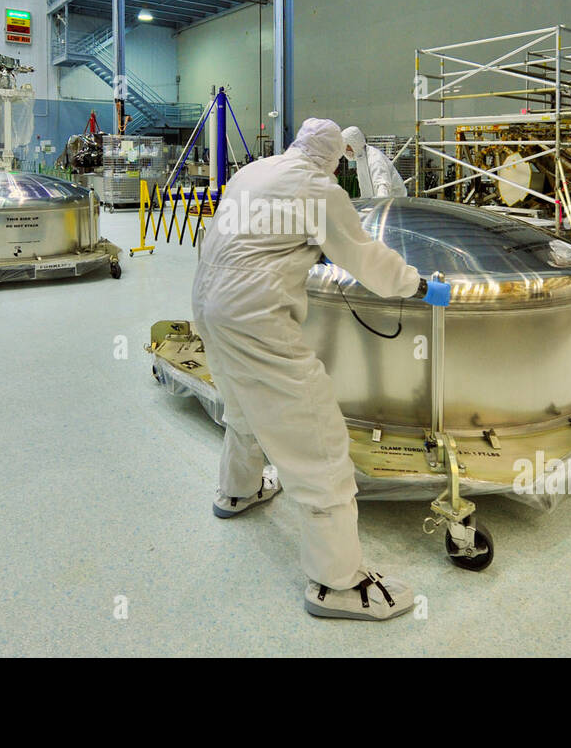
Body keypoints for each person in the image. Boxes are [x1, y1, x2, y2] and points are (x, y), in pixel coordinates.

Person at [192, 118, 451, 621]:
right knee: (318, 442)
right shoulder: (319, 188)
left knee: (244, 405)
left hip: (208, 302)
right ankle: (337, 584)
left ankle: (238, 489)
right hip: (253, 316)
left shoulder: (256, 171)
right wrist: (415, 285)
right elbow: (363, 254)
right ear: (333, 159)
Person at [341, 126, 407, 198]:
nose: (346, 150)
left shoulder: (374, 157)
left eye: (347, 146)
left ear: (354, 143)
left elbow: (382, 185)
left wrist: (380, 205)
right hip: (376, 203)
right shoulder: (361, 158)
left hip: (394, 203)